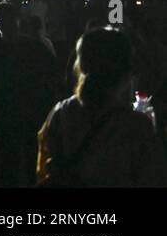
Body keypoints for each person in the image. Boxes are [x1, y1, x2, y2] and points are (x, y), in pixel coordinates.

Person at [37, 27, 167, 186]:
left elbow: (44, 170)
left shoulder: (60, 114)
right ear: (127, 71)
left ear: (81, 66)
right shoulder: (135, 127)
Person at [0, 1, 58, 186]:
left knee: (10, 161)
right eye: (2, 23)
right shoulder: (35, 46)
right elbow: (52, 77)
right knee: (30, 158)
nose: (4, 26)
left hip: (7, 109)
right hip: (29, 109)